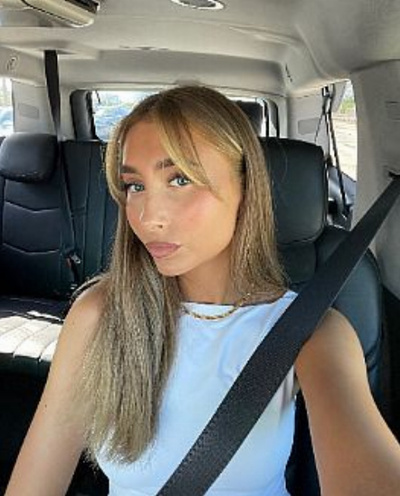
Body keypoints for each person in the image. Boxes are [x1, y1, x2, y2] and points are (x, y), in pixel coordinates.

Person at [5, 85, 400, 496]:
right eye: (135, 186)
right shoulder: (99, 314)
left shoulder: (314, 333)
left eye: (180, 179)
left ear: (245, 186)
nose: (148, 218)